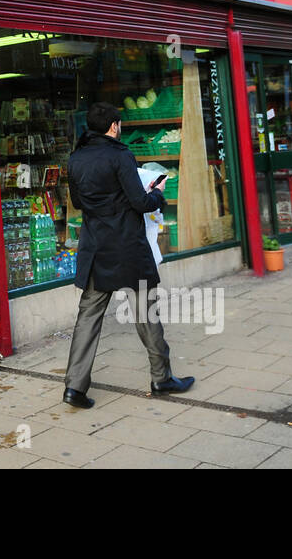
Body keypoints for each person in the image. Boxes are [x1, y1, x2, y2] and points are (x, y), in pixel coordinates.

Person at [61, 102, 194, 408]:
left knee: (88, 318)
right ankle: (162, 378)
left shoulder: (76, 158)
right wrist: (157, 193)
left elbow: (79, 203)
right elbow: (140, 202)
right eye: (119, 124)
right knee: (146, 315)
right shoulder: (121, 155)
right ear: (114, 127)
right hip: (128, 248)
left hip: (95, 249)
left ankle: (74, 387)